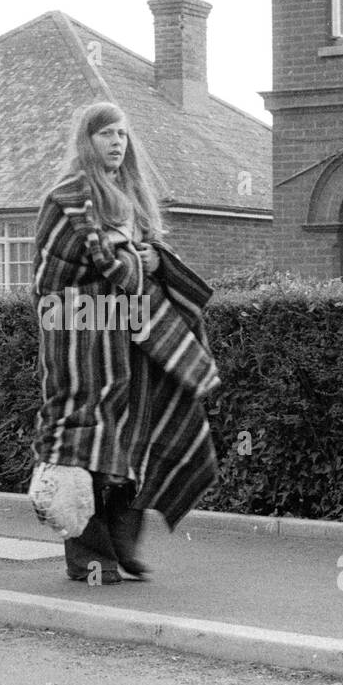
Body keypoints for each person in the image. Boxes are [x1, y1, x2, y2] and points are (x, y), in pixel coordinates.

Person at [33, 102, 221, 583]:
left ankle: (122, 543)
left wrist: (154, 263)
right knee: (87, 443)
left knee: (136, 440)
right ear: (86, 142)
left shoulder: (133, 197)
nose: (117, 142)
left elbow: (149, 261)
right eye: (106, 134)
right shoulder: (65, 201)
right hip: (86, 348)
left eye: (122, 134)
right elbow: (49, 284)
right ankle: (91, 556)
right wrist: (128, 271)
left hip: (137, 341)